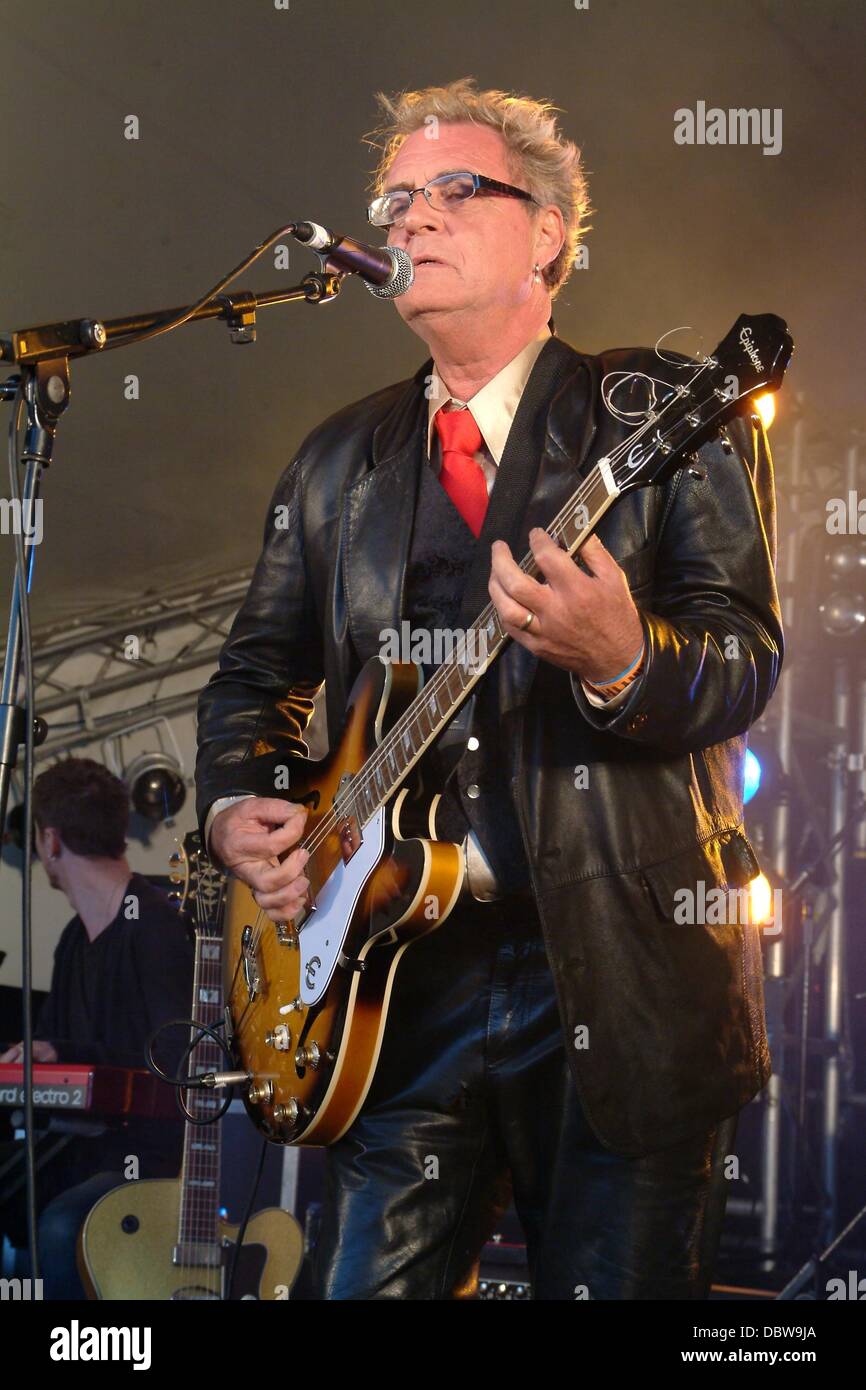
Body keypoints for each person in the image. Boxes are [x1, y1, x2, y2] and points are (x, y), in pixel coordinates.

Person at [195, 78, 783, 1299]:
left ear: (551, 233)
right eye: (395, 199)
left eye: (454, 190)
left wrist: (623, 656)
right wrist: (238, 801)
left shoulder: (661, 408)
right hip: (390, 989)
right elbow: (256, 674)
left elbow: (739, 661)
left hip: (620, 978)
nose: (409, 218)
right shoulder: (332, 461)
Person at [0, 757, 194, 1299]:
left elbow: (177, 1068)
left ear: (50, 841)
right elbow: (55, 1074)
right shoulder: (71, 941)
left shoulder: (155, 925)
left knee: (64, 1227)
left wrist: (60, 1049)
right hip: (80, 1153)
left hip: (152, 1161)